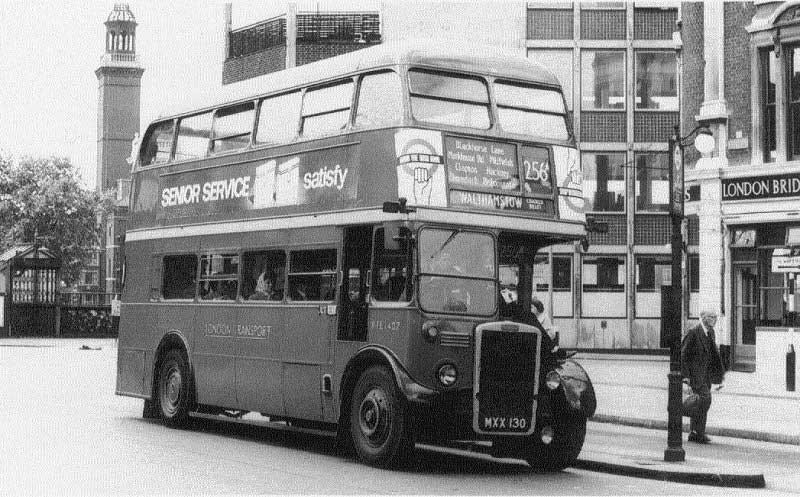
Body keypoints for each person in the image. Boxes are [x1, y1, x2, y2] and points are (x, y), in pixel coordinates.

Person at [681, 309, 725, 444]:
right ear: (703, 318)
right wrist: (685, 378)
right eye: (712, 317)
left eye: (716, 317)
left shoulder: (710, 332)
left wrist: (718, 377)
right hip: (695, 375)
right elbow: (683, 355)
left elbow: (713, 354)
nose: (715, 319)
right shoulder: (693, 332)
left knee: (701, 401)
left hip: (706, 375)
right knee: (705, 399)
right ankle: (697, 431)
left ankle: (696, 432)